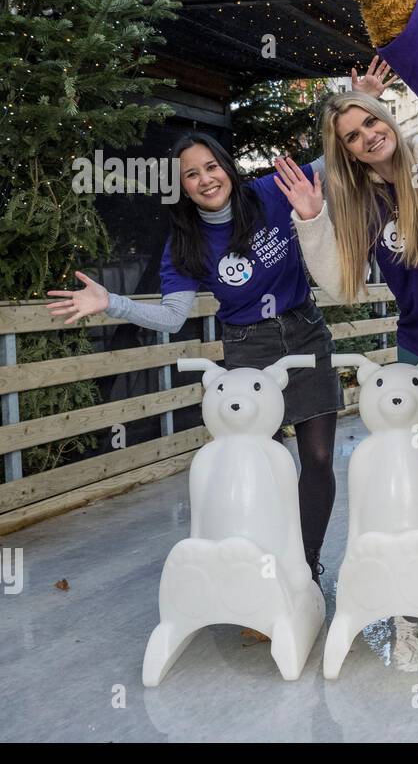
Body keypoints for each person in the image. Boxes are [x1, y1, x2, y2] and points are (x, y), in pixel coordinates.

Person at [47, 134, 343, 581]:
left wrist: (363, 102)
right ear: (182, 186)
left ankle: (306, 565)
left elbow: (332, 159)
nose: (205, 179)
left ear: (227, 166)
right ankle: (267, 564)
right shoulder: (185, 242)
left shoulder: (268, 193)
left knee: (318, 458)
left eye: (211, 167)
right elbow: (171, 317)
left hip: (305, 333)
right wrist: (112, 302)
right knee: (263, 465)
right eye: (192, 174)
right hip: (248, 350)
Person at [275, 88, 418, 563]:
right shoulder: (358, 198)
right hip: (417, 342)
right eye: (353, 136)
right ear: (345, 150)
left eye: (371, 123)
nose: (368, 137)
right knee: (417, 449)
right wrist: (312, 220)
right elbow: (343, 288)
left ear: (384, 117)